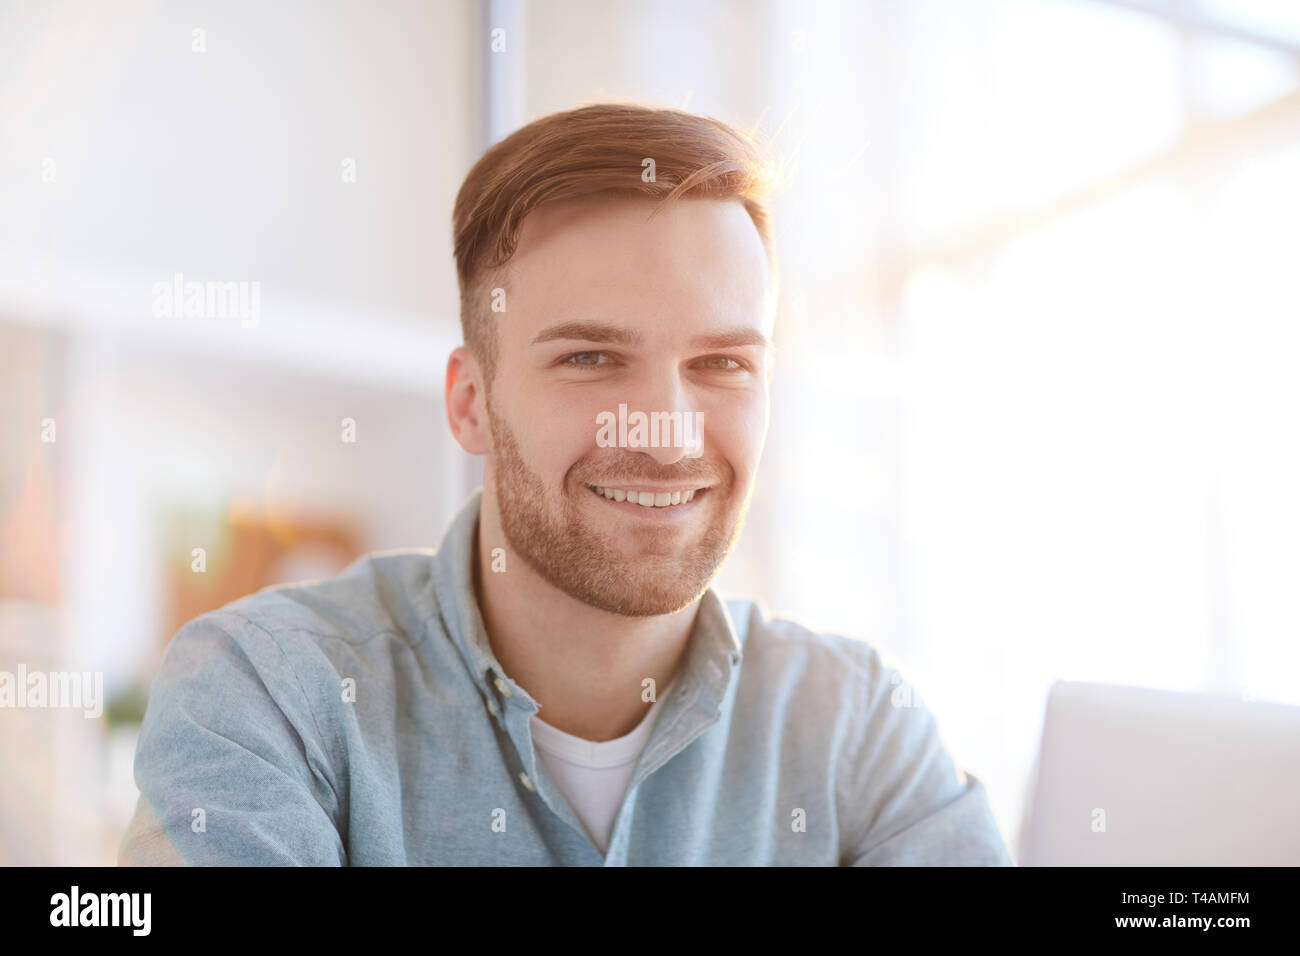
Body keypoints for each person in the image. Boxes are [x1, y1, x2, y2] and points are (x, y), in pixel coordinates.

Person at [119, 103, 1012, 866]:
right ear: (471, 402)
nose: (667, 434)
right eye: (591, 357)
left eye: (722, 363)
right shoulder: (270, 695)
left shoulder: (857, 726)